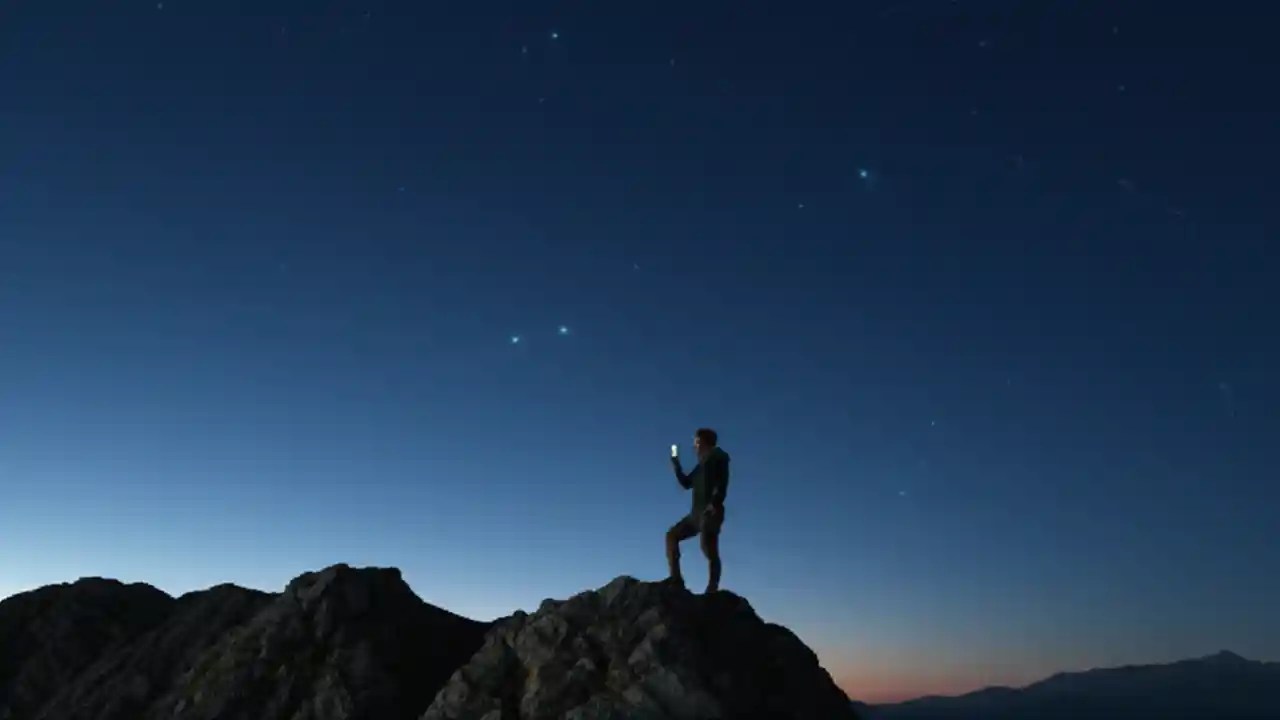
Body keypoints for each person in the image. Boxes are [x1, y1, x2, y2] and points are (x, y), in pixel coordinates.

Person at [666, 427, 731, 593]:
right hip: (695, 515)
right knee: (672, 536)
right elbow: (686, 483)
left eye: (696, 442)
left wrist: (715, 502)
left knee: (708, 547)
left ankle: (712, 587)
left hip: (711, 511)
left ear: (703, 442)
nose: (694, 446)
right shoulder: (700, 466)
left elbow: (722, 482)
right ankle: (676, 579)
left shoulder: (718, 456)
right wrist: (676, 464)